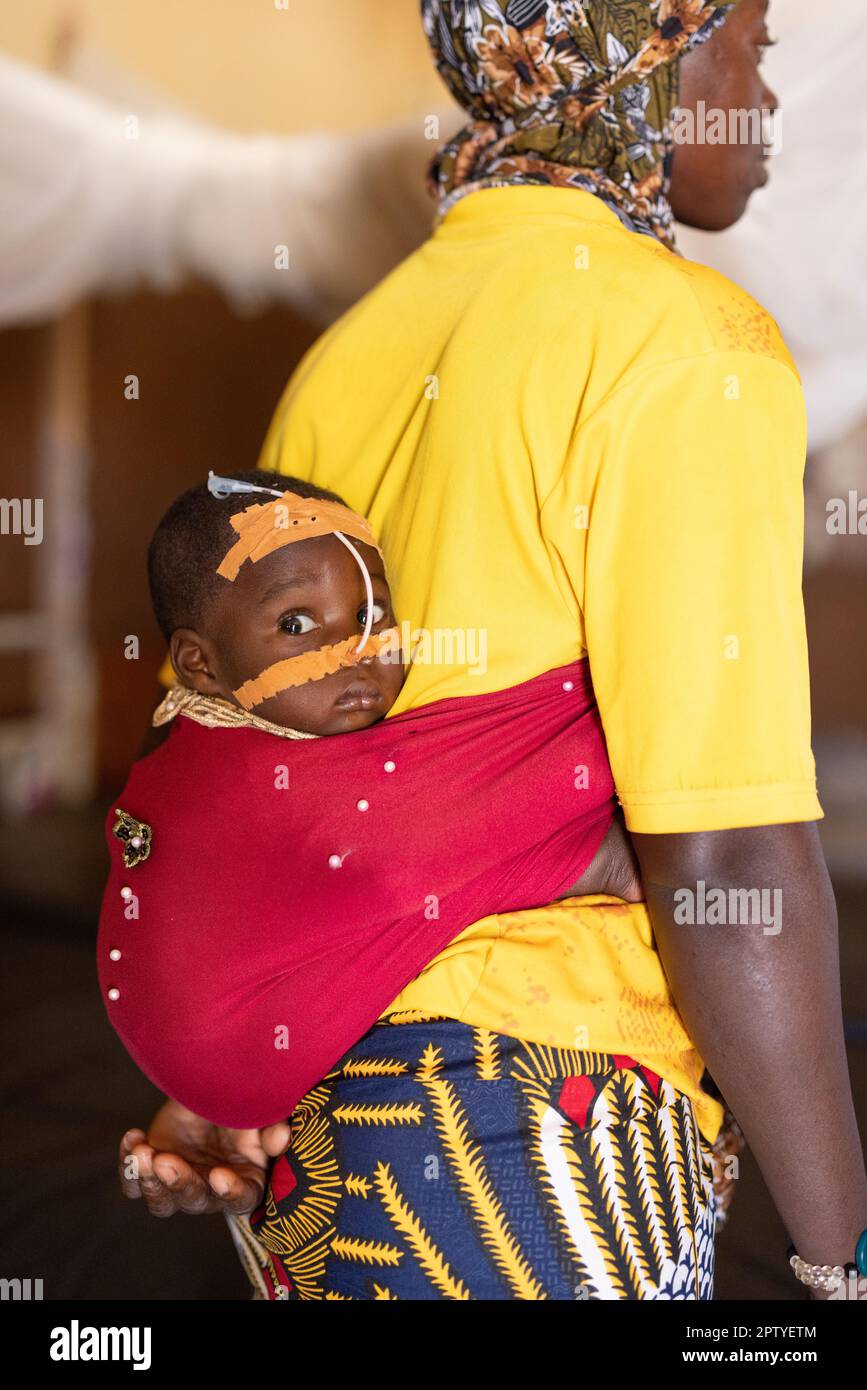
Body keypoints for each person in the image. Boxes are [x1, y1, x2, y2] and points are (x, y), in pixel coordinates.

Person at [120, 0, 867, 1300]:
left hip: (321, 1139)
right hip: (531, 1136)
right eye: (745, 40)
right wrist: (838, 1238)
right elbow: (727, 858)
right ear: (645, 52)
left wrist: (211, 1070)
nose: (763, 93)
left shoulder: (348, 351)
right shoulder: (688, 341)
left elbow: (247, 761)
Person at [100, 468, 630, 1131]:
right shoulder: (267, 788)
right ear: (201, 664)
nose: (352, 650)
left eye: (369, 613)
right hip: (241, 1066)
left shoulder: (234, 732)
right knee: (427, 843)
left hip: (207, 1073)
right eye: (296, 623)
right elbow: (447, 818)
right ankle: (591, 862)